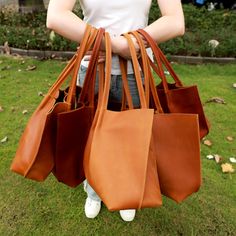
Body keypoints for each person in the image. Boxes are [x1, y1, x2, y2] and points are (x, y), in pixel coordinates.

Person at [46, 0, 185, 222]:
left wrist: (130, 43)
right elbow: (55, 16)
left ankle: (126, 191)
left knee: (132, 136)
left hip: (136, 73)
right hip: (93, 69)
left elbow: (175, 21)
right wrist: (116, 45)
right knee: (92, 134)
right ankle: (93, 190)